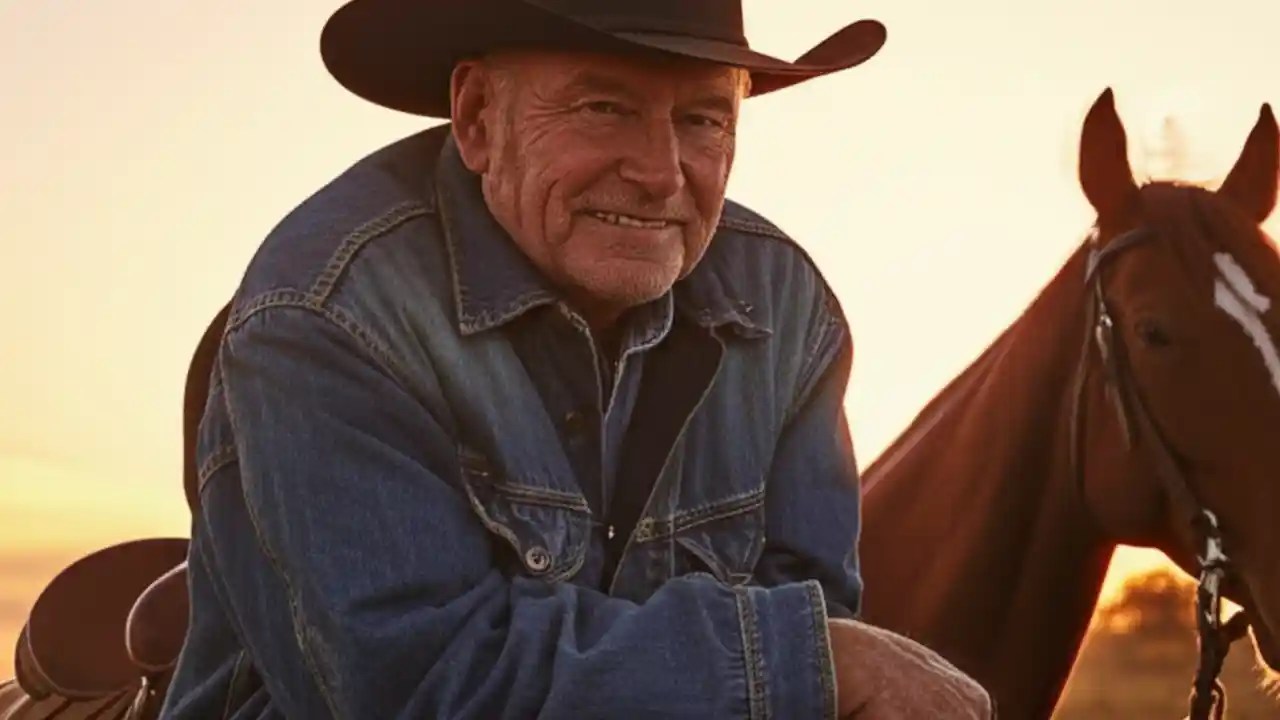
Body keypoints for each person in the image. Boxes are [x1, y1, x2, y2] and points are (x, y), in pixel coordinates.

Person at [161, 0, 993, 717]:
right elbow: (413, 686)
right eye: (605, 107)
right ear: (480, 117)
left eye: (703, 119)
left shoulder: (785, 311)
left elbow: (811, 605)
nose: (661, 174)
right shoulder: (327, 315)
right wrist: (806, 663)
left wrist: (809, 664)